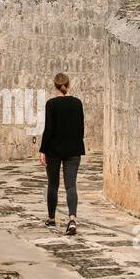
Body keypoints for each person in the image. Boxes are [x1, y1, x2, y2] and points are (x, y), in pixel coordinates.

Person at [38, 72, 85, 235]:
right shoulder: (77, 103)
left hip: (54, 150)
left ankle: (51, 219)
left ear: (55, 85)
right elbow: (81, 128)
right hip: (73, 149)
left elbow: (49, 129)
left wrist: (42, 150)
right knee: (71, 185)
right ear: (68, 84)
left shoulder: (51, 104)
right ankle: (72, 219)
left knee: (53, 184)